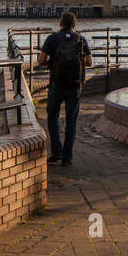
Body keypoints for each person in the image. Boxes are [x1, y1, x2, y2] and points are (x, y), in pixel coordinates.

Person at [35, 11, 93, 166]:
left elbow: (40, 61)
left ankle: (56, 151)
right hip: (75, 85)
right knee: (71, 121)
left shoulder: (52, 38)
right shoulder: (81, 39)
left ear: (60, 23)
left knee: (52, 116)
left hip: (57, 84)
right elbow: (89, 62)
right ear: (74, 25)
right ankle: (67, 158)